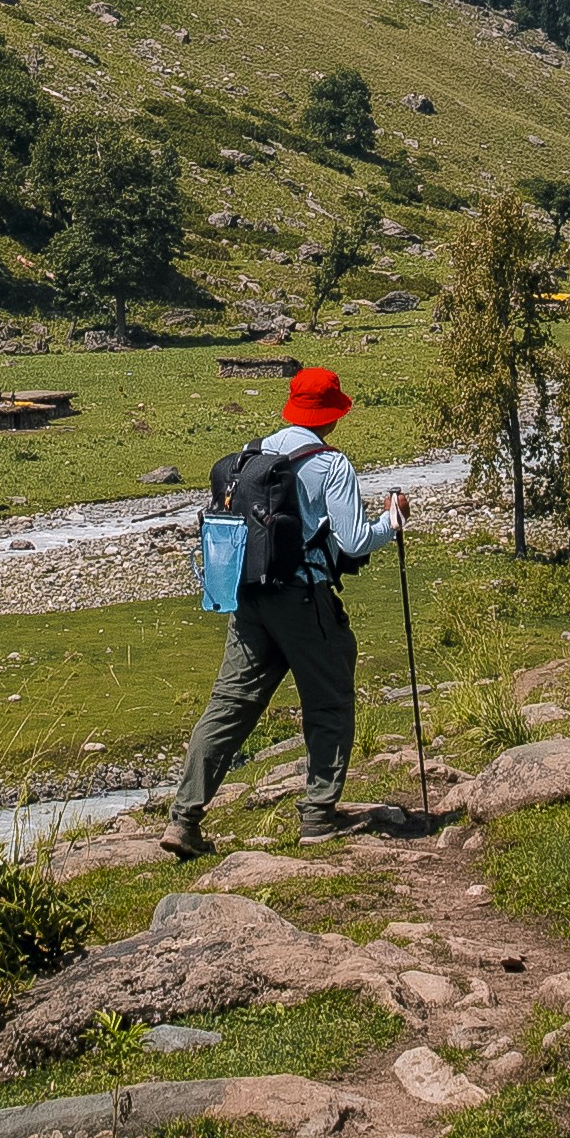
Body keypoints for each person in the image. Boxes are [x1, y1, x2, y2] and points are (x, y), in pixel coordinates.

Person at [166, 361, 400, 855]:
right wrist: (390, 523)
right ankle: (317, 815)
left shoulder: (257, 453)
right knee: (329, 699)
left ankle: (184, 819)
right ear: (333, 414)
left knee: (229, 705)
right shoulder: (331, 464)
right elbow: (354, 543)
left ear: (292, 408)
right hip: (302, 597)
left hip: (248, 597)